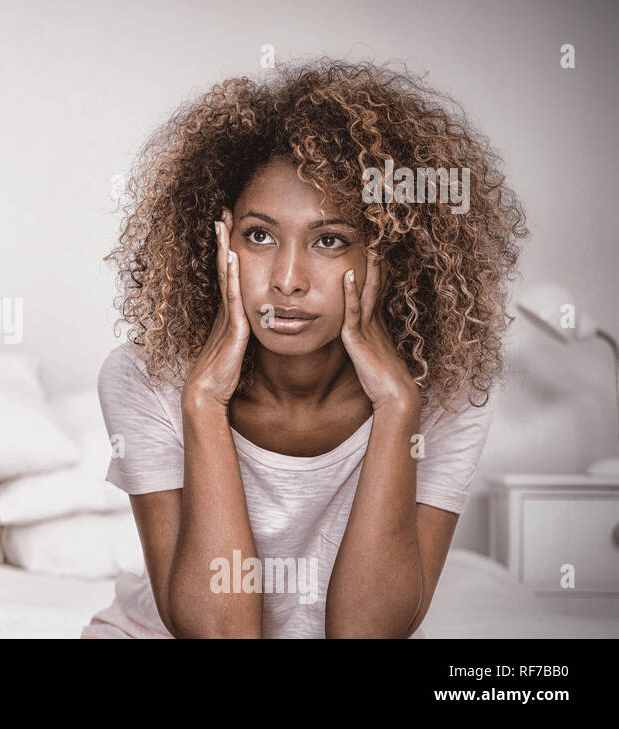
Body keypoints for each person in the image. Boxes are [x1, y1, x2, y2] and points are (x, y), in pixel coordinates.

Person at [84, 59, 526, 638]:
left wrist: (396, 410)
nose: (287, 279)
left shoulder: (447, 391)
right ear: (221, 241)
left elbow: (366, 635)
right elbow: (221, 635)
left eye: (330, 240)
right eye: (260, 235)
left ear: (390, 254)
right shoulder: (147, 377)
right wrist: (203, 406)